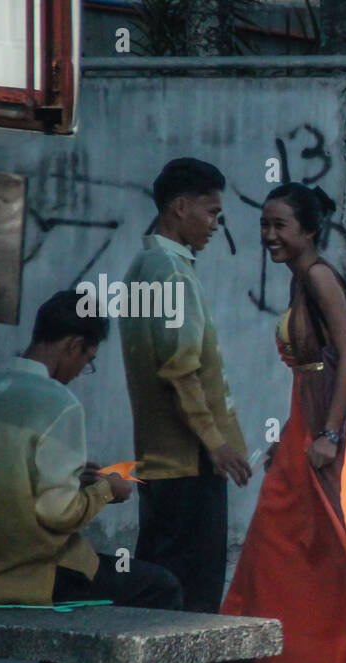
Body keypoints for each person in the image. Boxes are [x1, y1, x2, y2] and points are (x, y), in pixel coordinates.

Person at [0, 291, 182, 663]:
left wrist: (74, 477)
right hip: (33, 573)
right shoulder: (58, 402)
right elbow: (56, 513)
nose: (80, 372)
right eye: (86, 360)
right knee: (160, 588)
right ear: (71, 346)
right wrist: (107, 490)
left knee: (70, 590)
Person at [220, 184, 346, 663]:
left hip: (322, 431)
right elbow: (316, 368)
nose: (269, 235)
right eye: (264, 224)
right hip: (304, 428)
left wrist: (330, 434)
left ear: (308, 231)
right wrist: (293, 436)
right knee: (289, 546)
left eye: (280, 225)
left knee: (325, 547)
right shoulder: (302, 278)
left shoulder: (316, 276)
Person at [120, 157, 250, 613]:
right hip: (189, 464)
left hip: (160, 466)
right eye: (211, 212)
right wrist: (216, 443)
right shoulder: (171, 272)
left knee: (156, 596)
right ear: (180, 207)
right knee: (190, 605)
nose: (216, 224)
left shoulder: (142, 265)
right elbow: (179, 371)